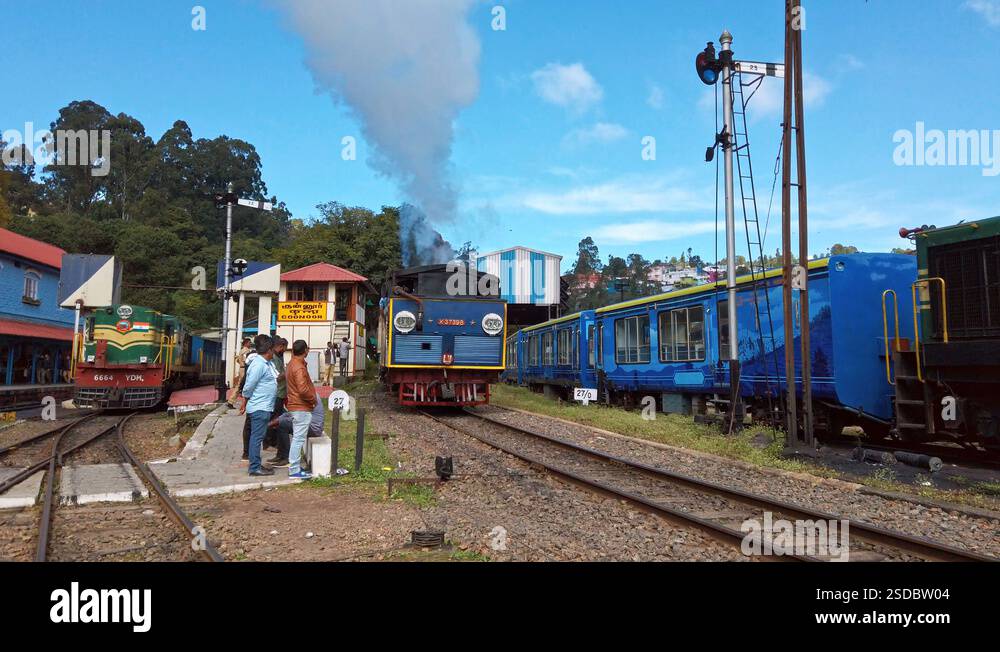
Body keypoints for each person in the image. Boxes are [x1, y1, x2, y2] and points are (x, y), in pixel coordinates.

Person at [240, 335, 278, 476]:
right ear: (269, 350)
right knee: (256, 438)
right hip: (259, 407)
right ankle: (254, 467)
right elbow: (249, 386)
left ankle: (256, 464)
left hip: (264, 406)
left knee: (257, 437)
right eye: (273, 350)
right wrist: (245, 399)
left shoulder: (267, 364)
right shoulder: (259, 365)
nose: (273, 352)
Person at [283, 340, 315, 479]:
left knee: (297, 438)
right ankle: (294, 470)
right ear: (305, 350)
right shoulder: (299, 367)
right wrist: (313, 399)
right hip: (301, 406)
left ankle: (295, 467)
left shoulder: (291, 364)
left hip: (295, 404)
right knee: (298, 439)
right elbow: (302, 389)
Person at [264, 338, 288, 457]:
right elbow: (276, 377)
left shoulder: (278, 358)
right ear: (281, 346)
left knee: (276, 417)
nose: (284, 350)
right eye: (284, 348)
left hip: (280, 393)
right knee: (274, 418)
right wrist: (287, 372)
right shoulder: (273, 358)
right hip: (276, 393)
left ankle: (272, 441)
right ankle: (269, 442)